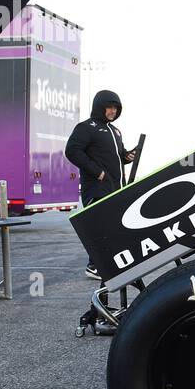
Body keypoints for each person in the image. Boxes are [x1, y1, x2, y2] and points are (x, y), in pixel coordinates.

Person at [64, 89, 135, 279]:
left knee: (112, 228)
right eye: (109, 107)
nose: (113, 111)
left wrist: (127, 156)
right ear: (100, 107)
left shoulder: (115, 131)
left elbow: (117, 156)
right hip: (97, 189)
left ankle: (105, 264)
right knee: (100, 228)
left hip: (115, 188)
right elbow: (72, 151)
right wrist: (97, 172)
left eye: (116, 108)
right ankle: (94, 266)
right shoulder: (87, 127)